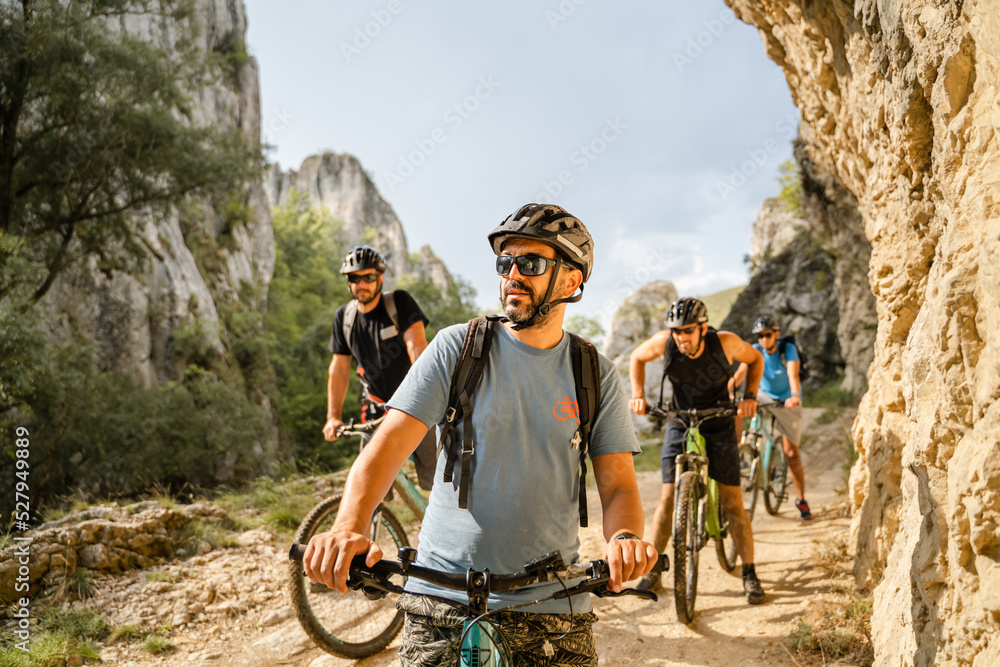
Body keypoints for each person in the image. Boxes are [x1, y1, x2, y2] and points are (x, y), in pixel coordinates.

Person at [304, 204, 657, 666]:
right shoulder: (457, 348)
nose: (512, 273)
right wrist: (348, 527)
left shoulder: (595, 374)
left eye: (529, 263)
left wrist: (626, 537)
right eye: (504, 262)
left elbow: (619, 486)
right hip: (439, 599)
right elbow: (387, 446)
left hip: (551, 605)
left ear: (572, 282)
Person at [627, 297, 767, 604]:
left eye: (687, 331)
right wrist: (637, 395)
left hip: (719, 422)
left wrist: (750, 395)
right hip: (680, 421)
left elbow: (755, 359)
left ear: (703, 328)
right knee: (666, 499)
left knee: (733, 502)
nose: (681, 337)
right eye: (676, 331)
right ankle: (653, 571)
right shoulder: (666, 343)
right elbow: (636, 358)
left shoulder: (725, 342)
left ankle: (750, 574)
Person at [322, 245, 435, 490]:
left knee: (440, 483)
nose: (361, 284)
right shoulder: (345, 318)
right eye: (354, 278)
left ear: (380, 278)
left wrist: (427, 393)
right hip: (375, 410)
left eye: (368, 277)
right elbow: (339, 369)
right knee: (367, 487)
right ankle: (375, 527)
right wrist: (333, 417)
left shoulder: (399, 303)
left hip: (416, 403)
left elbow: (417, 347)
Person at [730, 315, 810, 520]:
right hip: (762, 396)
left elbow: (793, 374)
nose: (763, 339)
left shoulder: (787, 349)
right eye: (759, 336)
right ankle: (744, 451)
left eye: (767, 335)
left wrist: (794, 396)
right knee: (736, 409)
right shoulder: (755, 349)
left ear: (776, 334)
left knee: (791, 453)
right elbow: (740, 374)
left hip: (786, 398)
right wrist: (727, 390)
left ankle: (801, 499)